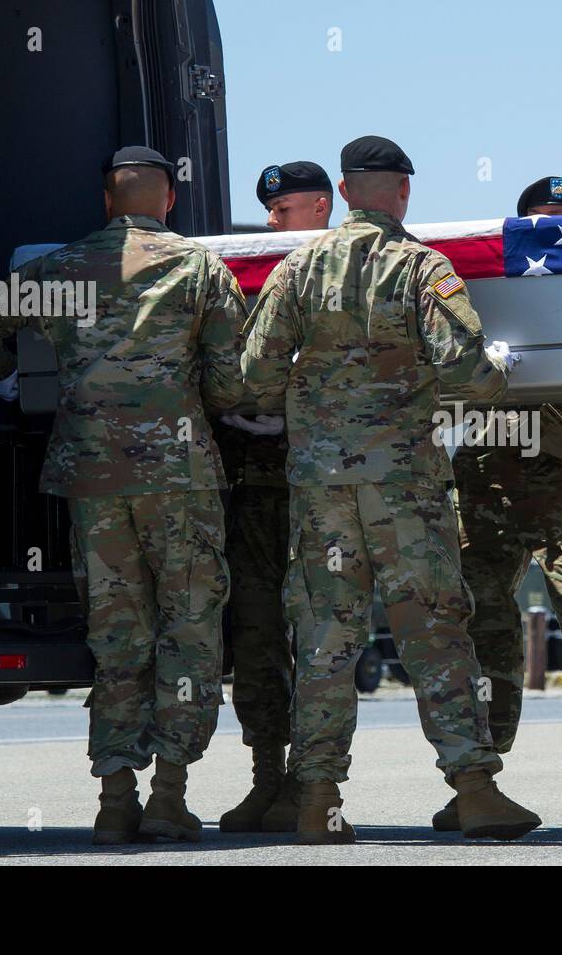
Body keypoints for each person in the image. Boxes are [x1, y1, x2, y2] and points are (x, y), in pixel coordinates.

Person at [241, 134, 542, 844]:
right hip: (403, 488)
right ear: (404, 191)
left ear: (343, 192)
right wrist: (499, 372)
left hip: (321, 490)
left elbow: (252, 376)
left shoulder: (296, 270)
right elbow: (469, 373)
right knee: (434, 630)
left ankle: (316, 800)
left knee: (323, 639)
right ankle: (473, 790)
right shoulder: (421, 269)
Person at [0, 146, 247, 844]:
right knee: (190, 630)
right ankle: (170, 795)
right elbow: (234, 384)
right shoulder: (202, 269)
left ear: (106, 201)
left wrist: (13, 378)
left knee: (118, 637)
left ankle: (116, 798)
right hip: (178, 475)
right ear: (169, 201)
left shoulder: (60, 271)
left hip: (93, 476)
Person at [437, 175, 562, 836]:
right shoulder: (486, 298)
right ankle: (479, 787)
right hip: (485, 492)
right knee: (485, 642)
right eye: (540, 223)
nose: (552, 236)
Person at [218, 161, 334, 834]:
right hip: (255, 491)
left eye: (283, 208)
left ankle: (311, 782)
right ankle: (267, 775)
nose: (271, 221)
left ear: (319, 205)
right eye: (268, 209)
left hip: (322, 491)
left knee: (319, 641)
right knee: (256, 637)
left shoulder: (346, 272)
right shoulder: (250, 271)